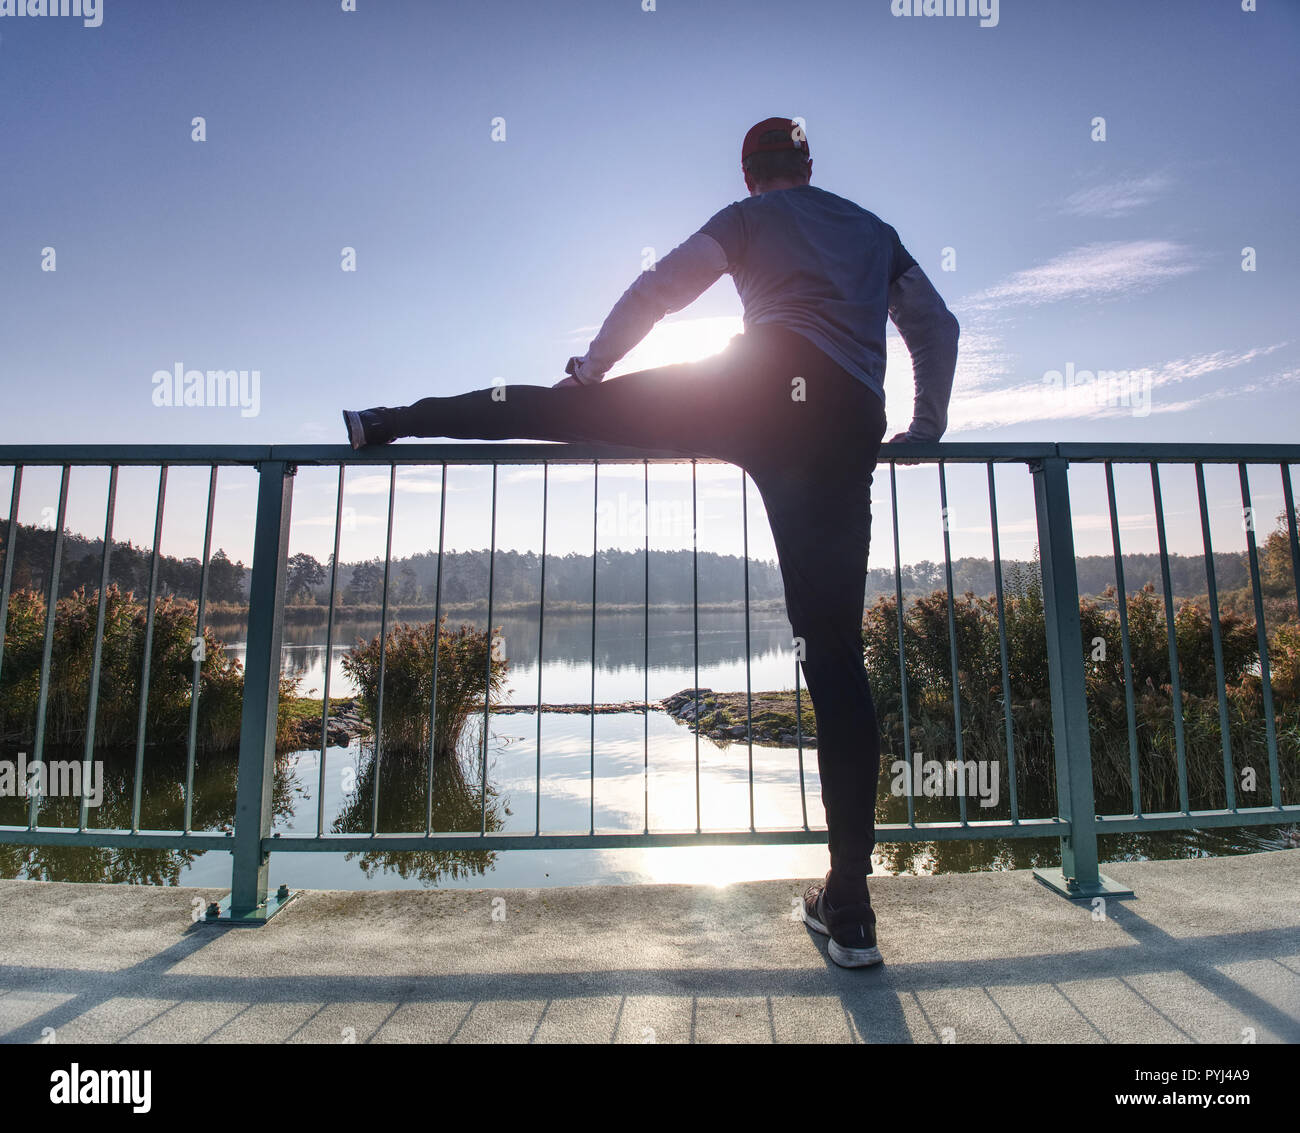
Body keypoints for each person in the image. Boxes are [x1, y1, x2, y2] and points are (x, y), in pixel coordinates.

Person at [342, 117, 958, 968]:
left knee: (563, 416)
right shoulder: (869, 228)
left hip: (752, 390)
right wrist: (926, 425)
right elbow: (936, 322)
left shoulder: (745, 221)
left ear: (749, 175)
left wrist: (592, 372)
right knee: (836, 658)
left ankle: (390, 421)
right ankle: (850, 908)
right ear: (809, 166)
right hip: (846, 420)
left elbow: (662, 289)